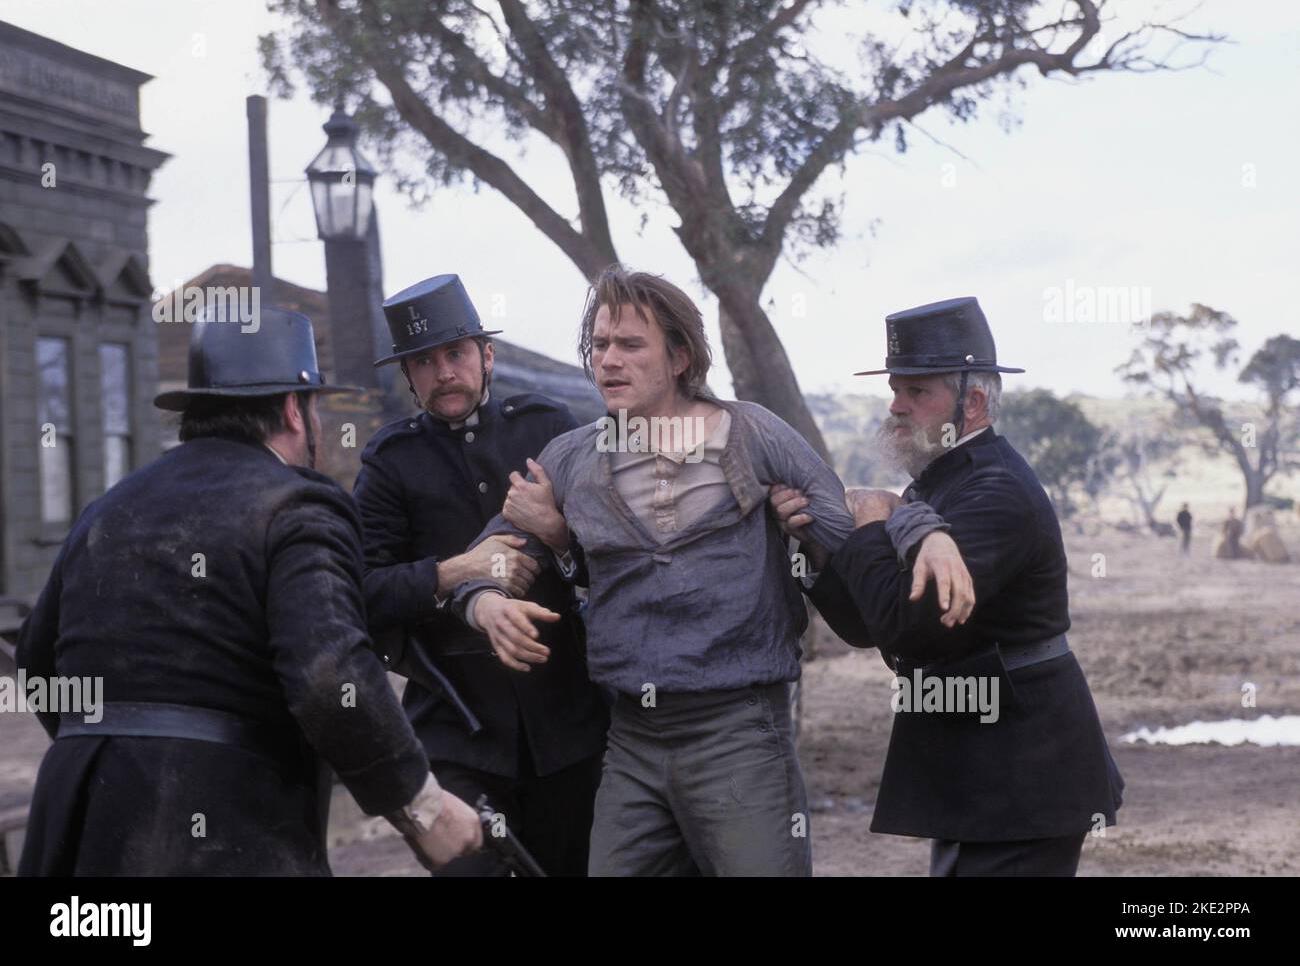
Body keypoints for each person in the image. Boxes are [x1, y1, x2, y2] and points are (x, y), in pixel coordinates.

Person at [450, 267, 972, 876]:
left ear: (679, 356)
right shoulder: (573, 458)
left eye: (630, 344)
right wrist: (484, 602)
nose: (608, 360)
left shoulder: (752, 434)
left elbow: (851, 519)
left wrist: (923, 530)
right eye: (599, 345)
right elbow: (484, 558)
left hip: (740, 734)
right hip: (632, 741)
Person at [16, 305, 482, 875]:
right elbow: (329, 676)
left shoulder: (109, 507)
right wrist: (421, 805)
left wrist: (106, 747)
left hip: (80, 826)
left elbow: (37, 664)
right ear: (294, 408)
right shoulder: (296, 504)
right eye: (313, 407)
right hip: (218, 830)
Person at [772, 296, 1124, 876]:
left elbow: (913, 629)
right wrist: (814, 545)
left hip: (1024, 772)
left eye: (917, 392)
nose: (896, 406)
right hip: (980, 769)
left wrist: (869, 526)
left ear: (975, 402)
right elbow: (868, 624)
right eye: (895, 389)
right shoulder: (937, 484)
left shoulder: (995, 492)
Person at [354, 274, 609, 876]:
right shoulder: (390, 464)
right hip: (456, 728)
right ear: (408, 376)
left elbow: (613, 553)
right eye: (424, 361)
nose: (444, 371)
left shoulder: (549, 428)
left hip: (568, 718)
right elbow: (359, 595)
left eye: (455, 353)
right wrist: (452, 574)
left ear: (485, 356)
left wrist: (558, 539)